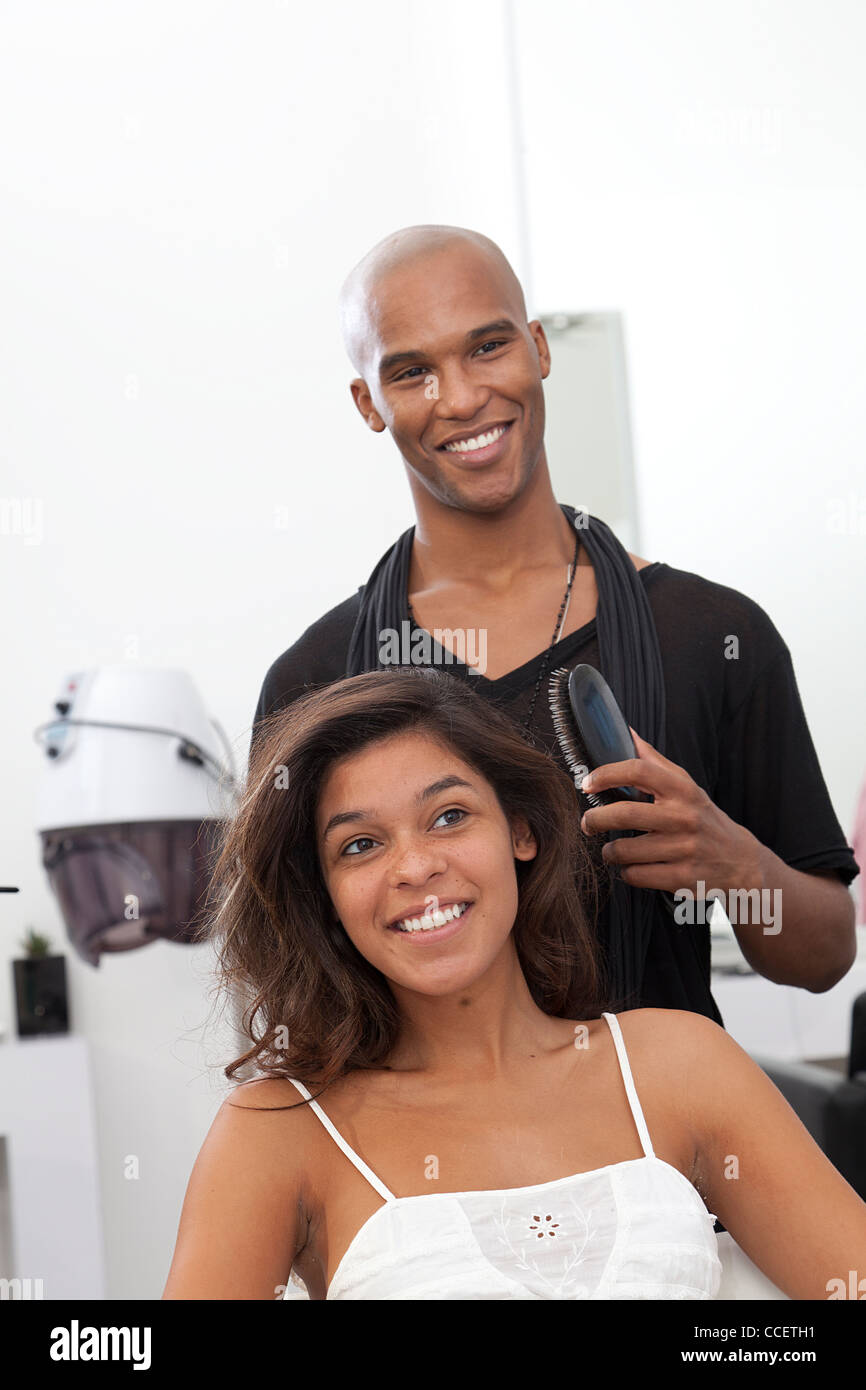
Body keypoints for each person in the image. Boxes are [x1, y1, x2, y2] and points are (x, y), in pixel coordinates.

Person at [251, 223, 858, 1028]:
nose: (462, 398)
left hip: (665, 1141)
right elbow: (294, 986)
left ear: (538, 348)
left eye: (487, 347)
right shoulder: (315, 683)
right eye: (412, 372)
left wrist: (731, 863)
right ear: (369, 403)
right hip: (423, 1148)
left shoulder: (713, 636)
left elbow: (823, 958)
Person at [163, 668, 866, 1301]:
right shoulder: (277, 1134)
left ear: (521, 831)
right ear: (326, 897)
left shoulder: (681, 1064)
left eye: (449, 816)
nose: (414, 867)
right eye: (360, 845)